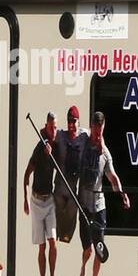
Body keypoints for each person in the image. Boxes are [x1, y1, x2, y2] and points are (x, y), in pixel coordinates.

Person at [77, 111, 129, 276]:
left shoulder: (105, 154)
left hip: (99, 205)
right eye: (95, 130)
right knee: (88, 249)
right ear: (91, 126)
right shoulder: (83, 139)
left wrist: (122, 194)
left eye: (101, 131)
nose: (98, 134)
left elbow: (113, 177)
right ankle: (83, 267)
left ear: (103, 127)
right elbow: (70, 133)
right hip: (84, 204)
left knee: (100, 248)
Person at [22, 111, 59, 276]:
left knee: (53, 241)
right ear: (46, 126)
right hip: (37, 201)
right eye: (51, 127)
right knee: (42, 246)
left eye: (55, 128)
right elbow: (26, 175)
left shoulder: (56, 145)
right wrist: (25, 199)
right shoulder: (39, 148)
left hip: (50, 200)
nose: (54, 131)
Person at [51, 105, 88, 245]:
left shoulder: (84, 136)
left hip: (72, 189)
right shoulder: (61, 135)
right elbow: (48, 133)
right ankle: (57, 235)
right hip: (60, 187)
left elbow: (97, 137)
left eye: (74, 121)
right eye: (69, 121)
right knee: (58, 208)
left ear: (79, 122)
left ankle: (66, 237)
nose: (71, 125)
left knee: (73, 207)